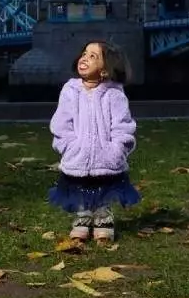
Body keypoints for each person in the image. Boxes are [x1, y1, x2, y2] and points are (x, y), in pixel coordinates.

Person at [48, 41, 141, 242]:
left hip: (106, 157)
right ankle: (82, 216)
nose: (84, 58)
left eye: (93, 56)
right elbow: (61, 123)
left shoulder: (114, 94)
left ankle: (103, 216)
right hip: (77, 155)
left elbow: (123, 125)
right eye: (84, 53)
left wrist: (117, 149)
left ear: (105, 70)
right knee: (80, 189)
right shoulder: (70, 90)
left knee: (103, 190)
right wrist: (68, 146)